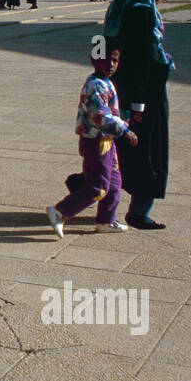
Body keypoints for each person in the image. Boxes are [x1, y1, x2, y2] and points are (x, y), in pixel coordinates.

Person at [104, 0, 175, 230]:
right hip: (145, 97)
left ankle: (92, 185)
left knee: (125, 148)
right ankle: (139, 211)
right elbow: (141, 63)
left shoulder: (126, 7)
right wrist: (139, 104)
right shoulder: (142, 13)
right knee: (147, 151)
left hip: (128, 92)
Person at [47, 42, 137, 237]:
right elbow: (100, 114)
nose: (111, 65)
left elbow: (111, 111)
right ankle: (61, 211)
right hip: (96, 142)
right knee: (99, 186)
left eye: (115, 60)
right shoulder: (95, 85)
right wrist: (122, 129)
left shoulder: (105, 82)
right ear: (95, 60)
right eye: (107, 60)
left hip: (106, 141)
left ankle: (106, 220)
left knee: (114, 181)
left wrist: (127, 116)